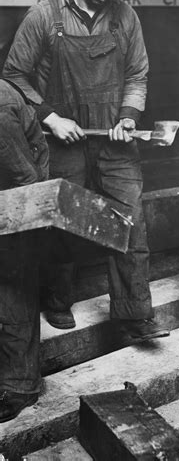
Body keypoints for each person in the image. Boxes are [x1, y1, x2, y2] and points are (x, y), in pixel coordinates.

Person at [3, 0, 168, 342]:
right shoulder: (43, 17)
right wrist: (49, 116)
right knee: (63, 222)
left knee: (129, 221)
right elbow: (13, 76)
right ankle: (57, 299)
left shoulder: (125, 17)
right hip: (63, 140)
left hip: (114, 142)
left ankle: (133, 315)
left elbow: (137, 74)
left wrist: (129, 116)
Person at [0, 78, 49, 422]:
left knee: (13, 290)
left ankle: (21, 385)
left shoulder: (0, 112)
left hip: (18, 199)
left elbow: (25, 178)